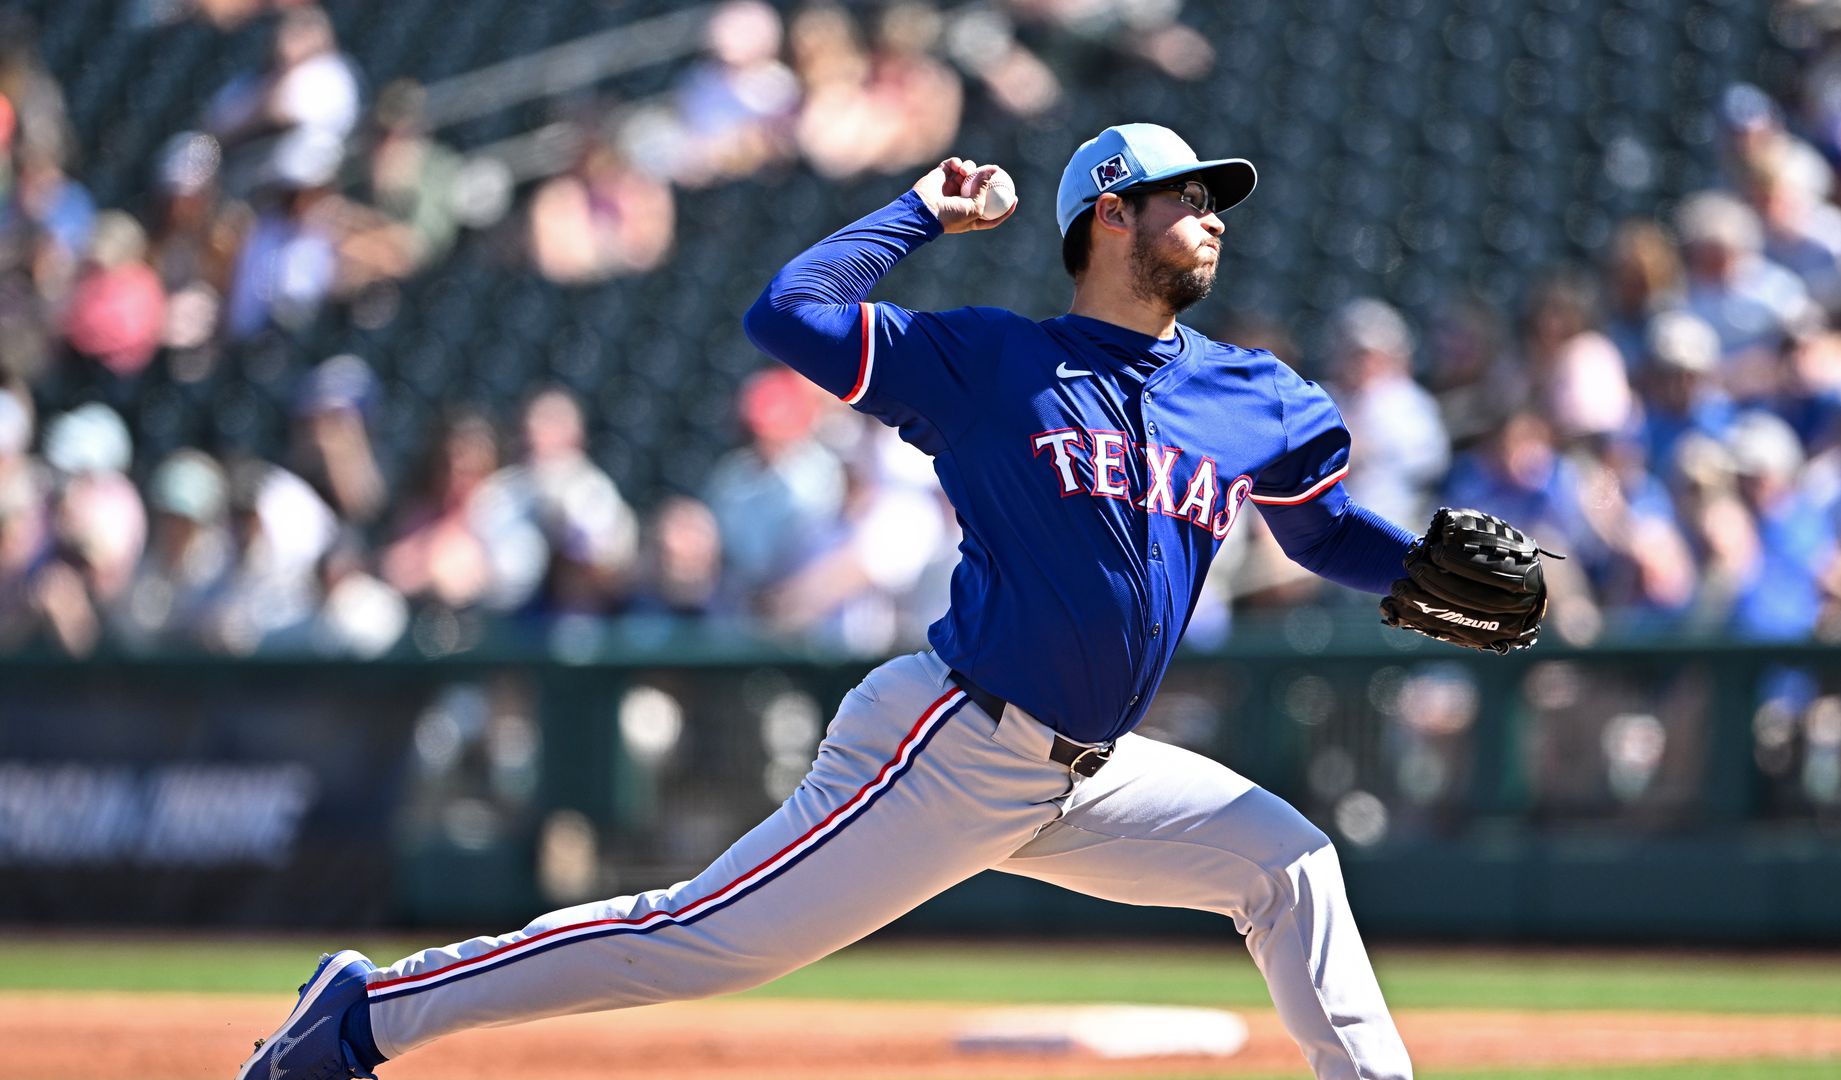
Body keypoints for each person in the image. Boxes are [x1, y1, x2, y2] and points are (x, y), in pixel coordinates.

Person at [237, 123, 1522, 1080]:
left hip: (1095, 771)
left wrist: (1406, 566)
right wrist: (919, 210)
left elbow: (1320, 533)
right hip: (950, 743)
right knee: (698, 938)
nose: (1217, 218)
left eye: (1215, 200)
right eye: (1189, 198)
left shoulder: (1251, 391)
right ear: (1110, 217)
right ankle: (363, 1014)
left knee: (1290, 866)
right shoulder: (988, 361)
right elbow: (788, 312)